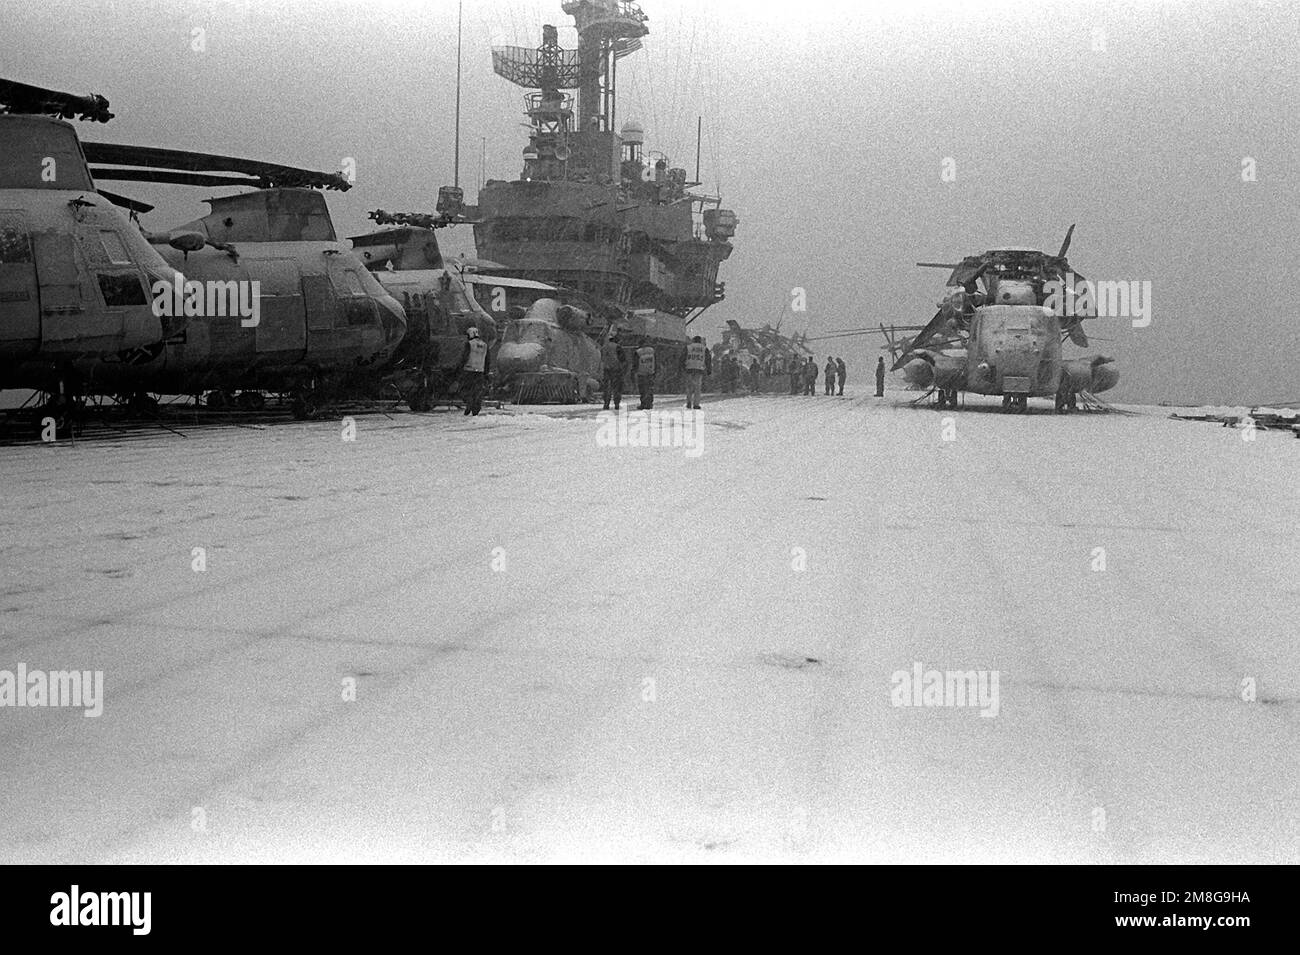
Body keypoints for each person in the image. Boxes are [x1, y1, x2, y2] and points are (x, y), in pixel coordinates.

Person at [458, 326, 490, 416]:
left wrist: (459, 369)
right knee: (477, 391)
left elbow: (464, 357)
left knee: (465, 390)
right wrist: (486, 373)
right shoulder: (485, 345)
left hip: (468, 370)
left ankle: (469, 403)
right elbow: (488, 360)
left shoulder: (469, 344)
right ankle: (475, 409)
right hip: (480, 371)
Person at [683, 335, 711, 409]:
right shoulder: (704, 348)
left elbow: (682, 358)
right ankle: (696, 404)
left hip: (689, 369)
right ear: (700, 341)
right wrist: (709, 370)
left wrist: (681, 368)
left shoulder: (688, 347)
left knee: (689, 387)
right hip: (699, 369)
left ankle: (689, 402)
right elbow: (708, 360)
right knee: (697, 388)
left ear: (693, 340)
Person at [600, 333, 625, 410]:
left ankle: (606, 403)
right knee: (616, 387)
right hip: (616, 369)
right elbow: (622, 359)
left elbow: (602, 358)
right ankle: (616, 403)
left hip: (606, 369)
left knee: (607, 387)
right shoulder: (617, 347)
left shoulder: (603, 347)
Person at [631, 340, 657, 410]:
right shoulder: (652, 350)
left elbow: (635, 364)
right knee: (650, 389)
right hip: (651, 372)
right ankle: (650, 403)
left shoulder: (638, 352)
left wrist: (633, 372)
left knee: (643, 389)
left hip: (641, 373)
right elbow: (655, 360)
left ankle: (643, 403)